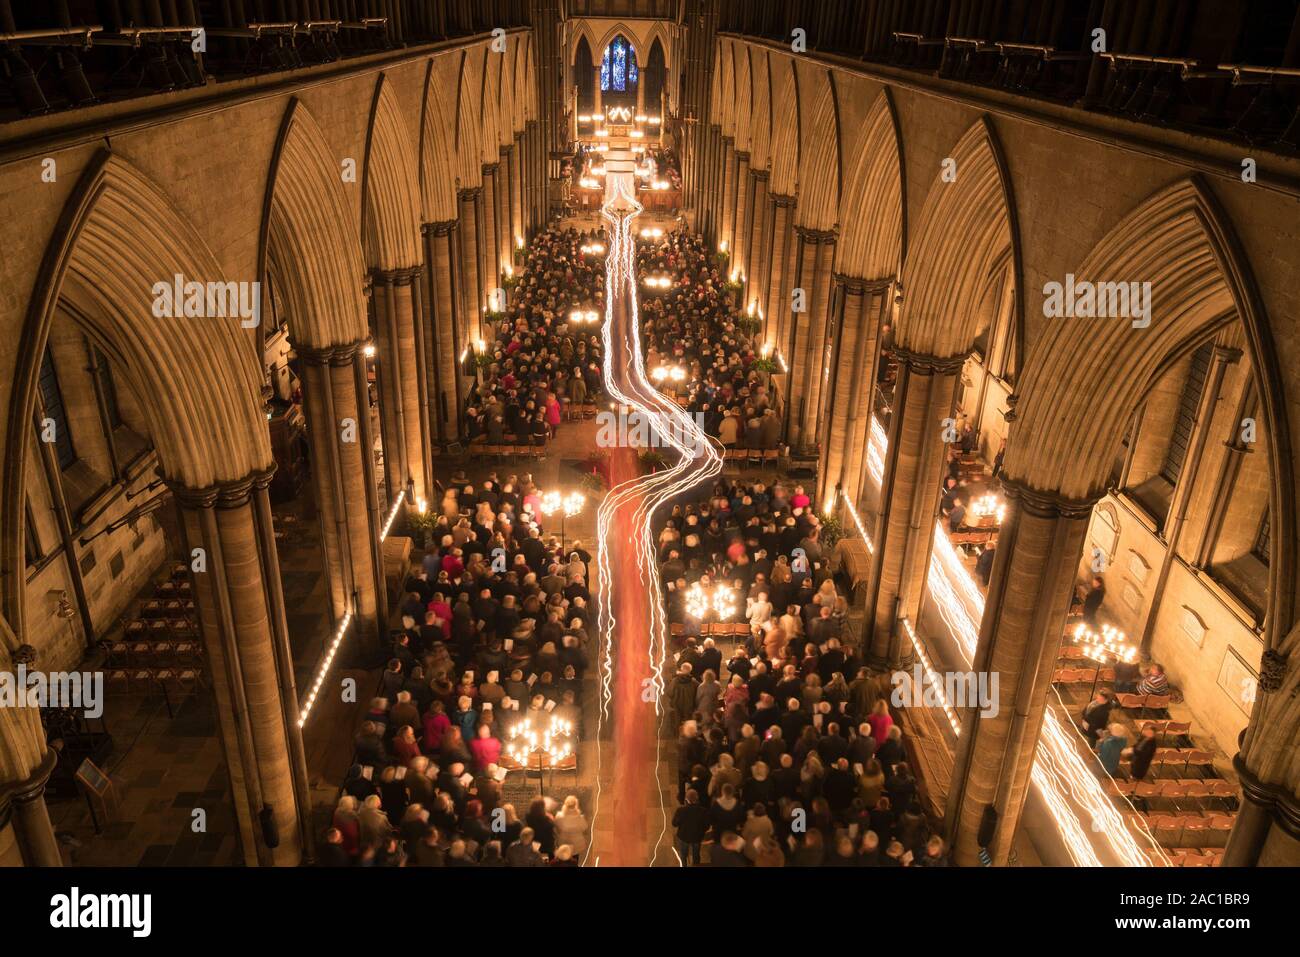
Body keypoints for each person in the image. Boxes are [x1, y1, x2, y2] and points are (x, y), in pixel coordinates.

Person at [672, 789, 710, 866]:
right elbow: (707, 826)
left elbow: (674, 823)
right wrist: (701, 831)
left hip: (684, 837)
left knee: (683, 856)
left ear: (686, 799)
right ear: (697, 799)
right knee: (696, 856)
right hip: (697, 837)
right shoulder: (703, 811)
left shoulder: (681, 810)